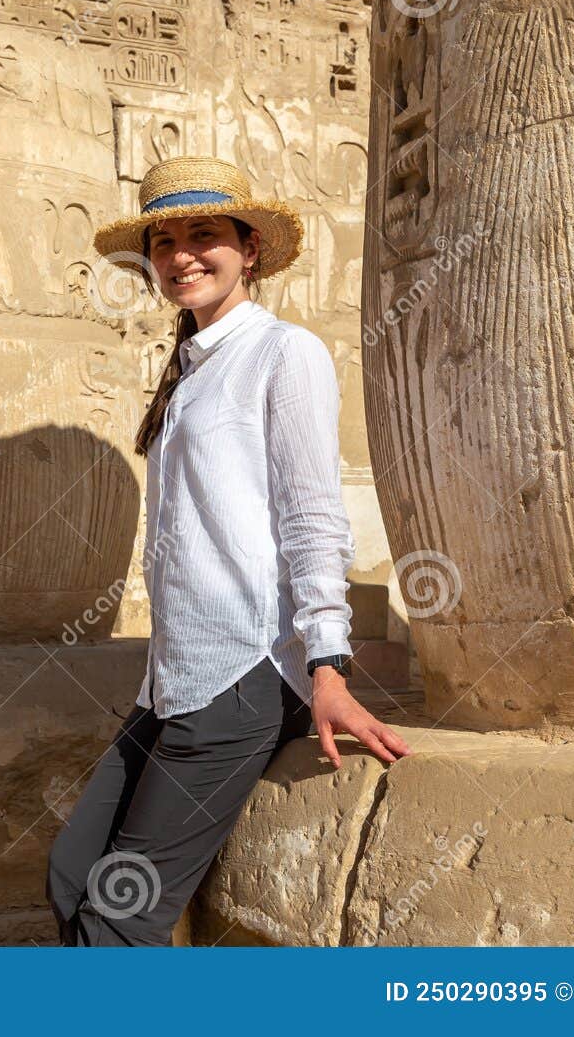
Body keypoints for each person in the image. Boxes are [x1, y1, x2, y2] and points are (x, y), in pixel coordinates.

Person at [46, 156, 412, 946]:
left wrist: (329, 667)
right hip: (176, 677)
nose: (180, 255)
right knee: (72, 871)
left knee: (119, 914)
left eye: (203, 234)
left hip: (245, 671)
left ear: (249, 248)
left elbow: (314, 517)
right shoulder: (188, 370)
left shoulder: (285, 353)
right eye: (164, 241)